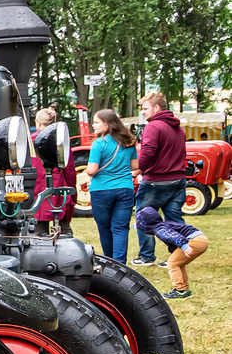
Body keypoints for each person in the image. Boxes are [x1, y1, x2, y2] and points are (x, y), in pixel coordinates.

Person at [133, 92, 189, 266]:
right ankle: (179, 256)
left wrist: (138, 169)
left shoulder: (153, 126)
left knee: (144, 217)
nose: (143, 112)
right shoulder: (179, 129)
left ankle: (146, 257)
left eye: (145, 108)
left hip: (156, 181)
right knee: (174, 220)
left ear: (156, 108)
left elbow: (148, 152)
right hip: (178, 180)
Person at [84, 108, 139, 260]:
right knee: (121, 228)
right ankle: (120, 263)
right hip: (125, 189)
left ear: (107, 124)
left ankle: (110, 261)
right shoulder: (129, 142)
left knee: (105, 228)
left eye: (96, 122)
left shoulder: (99, 144)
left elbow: (91, 170)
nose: (93, 125)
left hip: (102, 190)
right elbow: (135, 167)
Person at [136, 206, 208, 299]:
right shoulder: (163, 225)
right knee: (179, 264)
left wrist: (184, 246)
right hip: (200, 239)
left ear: (146, 225)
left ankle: (180, 290)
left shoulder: (160, 229)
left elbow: (173, 236)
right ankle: (184, 289)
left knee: (172, 263)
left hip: (193, 241)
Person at [32, 107, 77, 235]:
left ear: (38, 122)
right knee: (63, 227)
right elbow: (69, 169)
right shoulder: (61, 141)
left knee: (38, 229)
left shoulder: (30, 140)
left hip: (37, 186)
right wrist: (72, 188)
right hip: (57, 184)